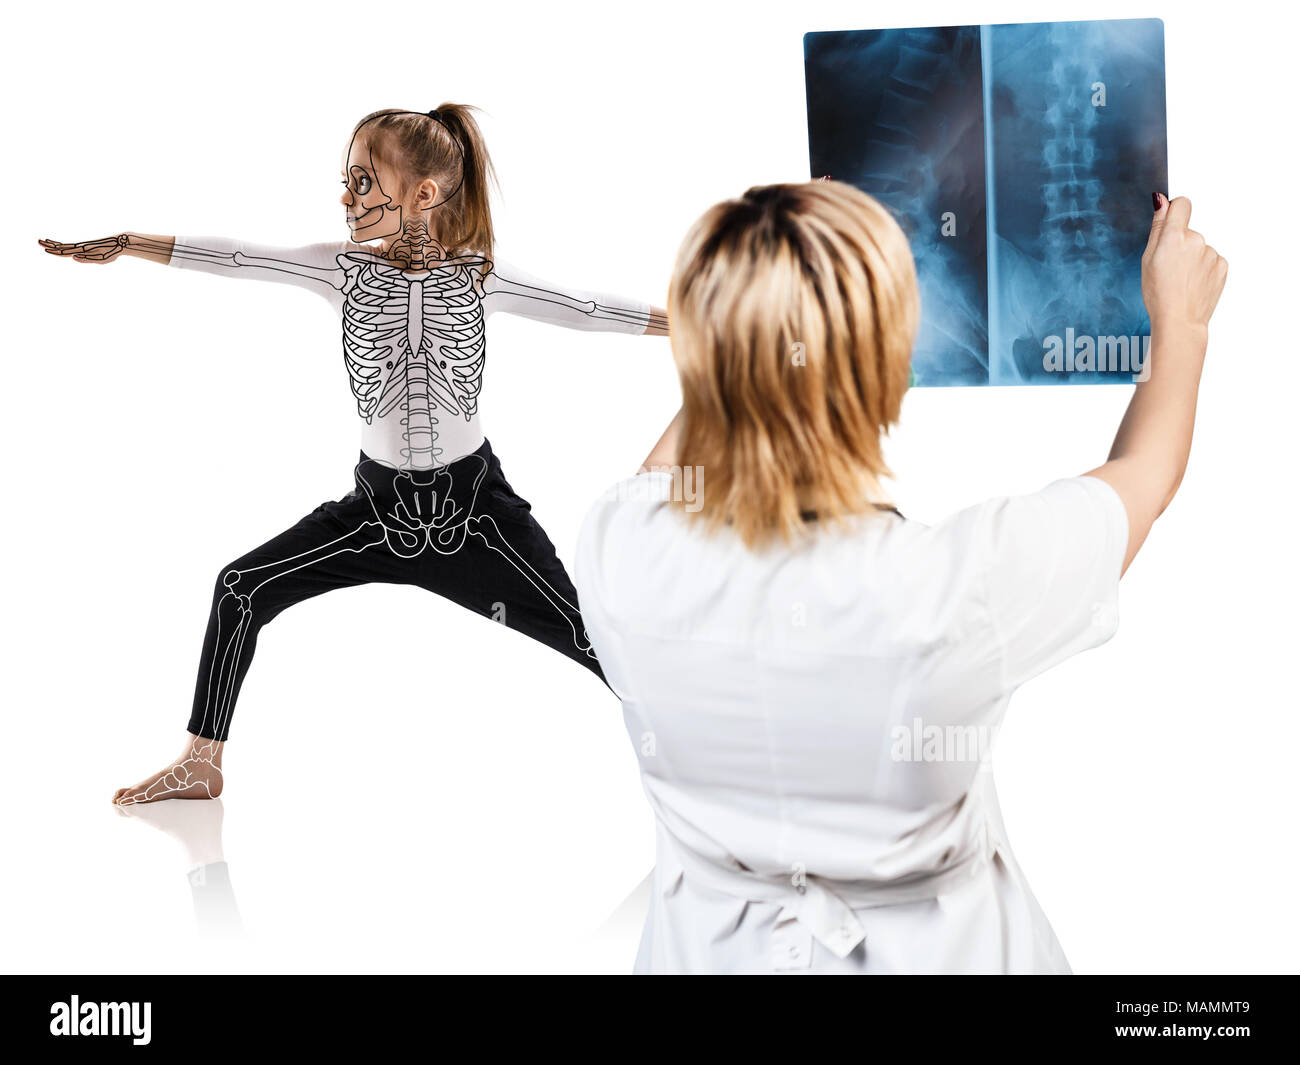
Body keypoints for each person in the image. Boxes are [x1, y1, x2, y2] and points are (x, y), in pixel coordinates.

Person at [572, 183, 1225, 973]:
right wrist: (1181, 323)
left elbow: (679, 462)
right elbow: (1145, 474)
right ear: (889, 375)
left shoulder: (619, 550)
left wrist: (761, 287)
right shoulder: (956, 587)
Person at [39, 105, 668, 805]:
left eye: (364, 183)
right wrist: (131, 242)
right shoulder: (338, 270)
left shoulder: (482, 276)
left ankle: (700, 756)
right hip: (375, 515)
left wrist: (701, 324)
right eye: (346, 182)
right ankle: (201, 760)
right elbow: (238, 257)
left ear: (423, 195)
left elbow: (587, 309)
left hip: (478, 517)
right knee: (241, 588)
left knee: (591, 635)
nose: (348, 198)